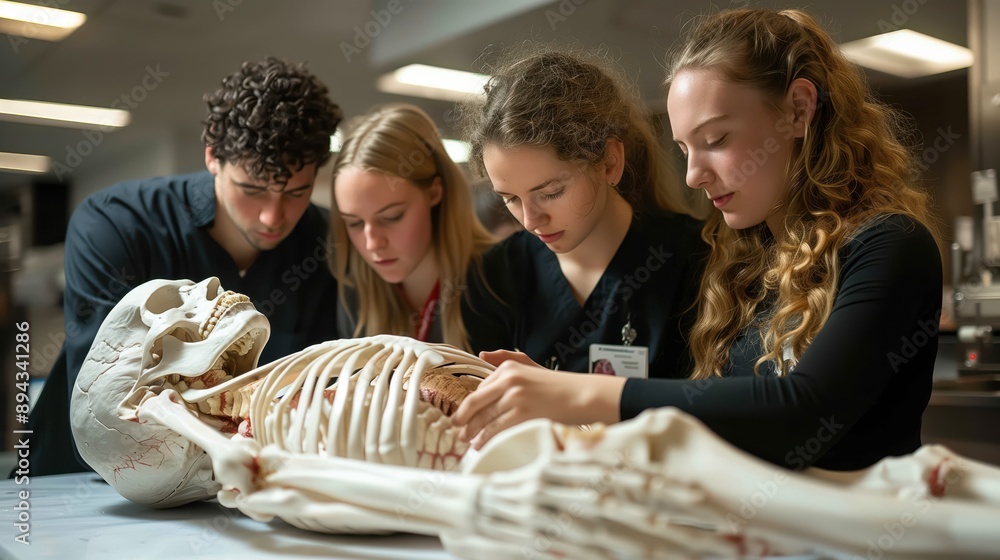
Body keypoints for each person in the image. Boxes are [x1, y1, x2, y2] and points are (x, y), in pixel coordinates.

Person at [453, 8, 944, 472]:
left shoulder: (890, 245)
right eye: (685, 148)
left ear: (797, 110)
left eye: (716, 141)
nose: (692, 176)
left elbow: (803, 413)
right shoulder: (743, 267)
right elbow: (706, 426)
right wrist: (553, 403)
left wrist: (573, 392)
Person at [26, 57, 343, 475]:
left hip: (239, 490)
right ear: (213, 155)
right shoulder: (116, 224)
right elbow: (110, 402)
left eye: (297, 193)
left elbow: (319, 388)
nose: (273, 216)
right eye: (252, 189)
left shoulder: (324, 244)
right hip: (80, 485)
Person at [458, 48, 709, 377]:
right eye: (510, 199)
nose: (531, 221)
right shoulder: (494, 277)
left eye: (550, 193)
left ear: (609, 162)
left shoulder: (699, 259)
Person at [329, 103, 494, 348]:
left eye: (392, 217)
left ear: (435, 192)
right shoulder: (355, 296)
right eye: (354, 223)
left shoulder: (499, 276)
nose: (373, 243)